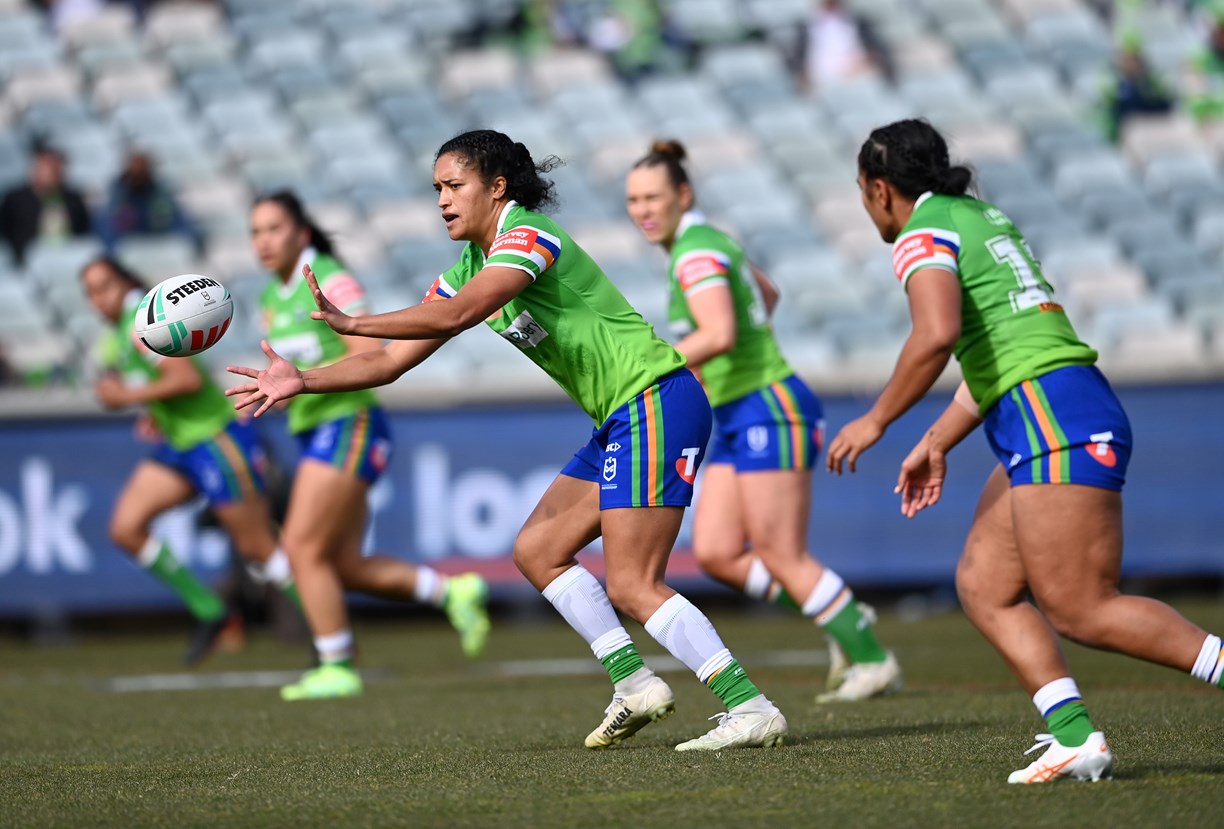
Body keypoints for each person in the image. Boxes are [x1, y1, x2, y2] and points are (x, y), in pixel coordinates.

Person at [228, 130, 788, 750]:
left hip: (656, 400)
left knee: (632, 582)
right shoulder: (469, 268)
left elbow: (457, 314)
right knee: (538, 550)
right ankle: (634, 685)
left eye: (454, 185)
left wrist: (353, 321)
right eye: (436, 189)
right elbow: (387, 363)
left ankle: (750, 706)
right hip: (623, 416)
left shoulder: (527, 235)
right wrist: (303, 379)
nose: (442, 200)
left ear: (497, 187)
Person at [828, 118, 1224, 783]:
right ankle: (1074, 736)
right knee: (985, 584)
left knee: (1082, 607)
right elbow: (1001, 351)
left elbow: (935, 335)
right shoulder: (978, 217)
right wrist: (935, 440)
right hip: (1052, 407)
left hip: (1051, 415)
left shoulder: (923, 233)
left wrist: (875, 420)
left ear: (879, 189)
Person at [624, 139, 901, 702]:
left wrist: (648, 369)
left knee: (781, 554)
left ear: (683, 195)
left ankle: (873, 658)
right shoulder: (709, 242)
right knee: (717, 552)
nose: (643, 210)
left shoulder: (694, 253)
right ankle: (839, 611)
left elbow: (720, 333)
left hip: (766, 406)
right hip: (736, 408)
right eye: (633, 200)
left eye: (653, 197)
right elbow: (766, 293)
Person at [244, 191, 491, 702]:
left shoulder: (329, 278)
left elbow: (368, 352)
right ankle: (452, 590)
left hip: (348, 424)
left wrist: (303, 380)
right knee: (343, 564)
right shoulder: (271, 297)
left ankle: (337, 664)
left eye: (273, 229)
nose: (263, 241)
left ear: (301, 233)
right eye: (256, 232)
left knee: (301, 548)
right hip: (317, 430)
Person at [82, 256, 299, 665]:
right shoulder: (123, 328)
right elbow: (169, 383)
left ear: (124, 281)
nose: (98, 299)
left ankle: (329, 634)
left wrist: (127, 397)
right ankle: (212, 611)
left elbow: (187, 379)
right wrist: (156, 412)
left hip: (215, 440)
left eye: (104, 287)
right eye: (90, 293)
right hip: (182, 444)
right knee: (126, 528)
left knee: (258, 546)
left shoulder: (142, 322)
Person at [0, 142, 92, 268]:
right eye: (47, 166)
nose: (52, 172)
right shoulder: (14, 199)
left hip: (66, 258)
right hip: (25, 262)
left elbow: (82, 234)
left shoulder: (73, 198)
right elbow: (7, 234)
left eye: (56, 167)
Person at [97, 151, 204, 256]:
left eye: (142, 168)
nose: (139, 173)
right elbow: (109, 222)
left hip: (154, 229)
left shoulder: (161, 193)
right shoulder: (119, 195)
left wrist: (194, 237)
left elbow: (178, 218)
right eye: (135, 169)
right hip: (130, 234)